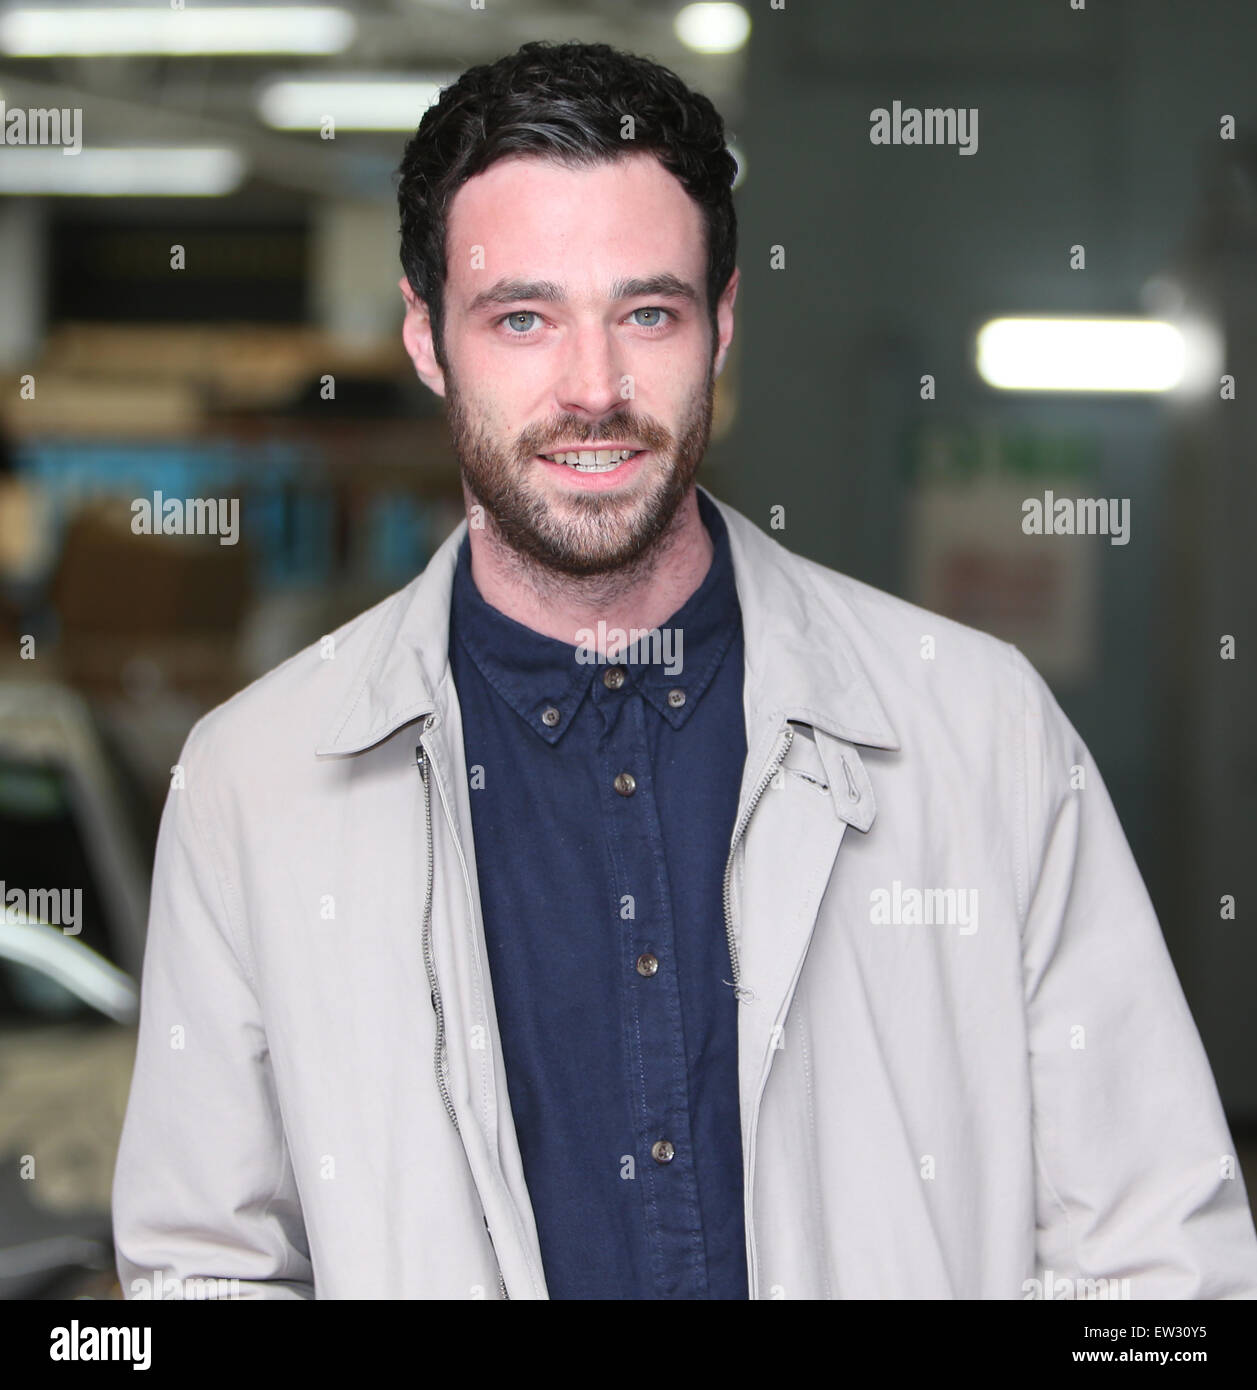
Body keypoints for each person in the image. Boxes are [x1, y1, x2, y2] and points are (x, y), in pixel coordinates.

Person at [112, 39, 1257, 1300]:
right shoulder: (253, 784)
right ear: (429, 339)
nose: (592, 389)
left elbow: (1161, 1261)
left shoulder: (980, 733)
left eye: (646, 311)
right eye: (523, 317)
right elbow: (203, 1270)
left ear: (720, 325)